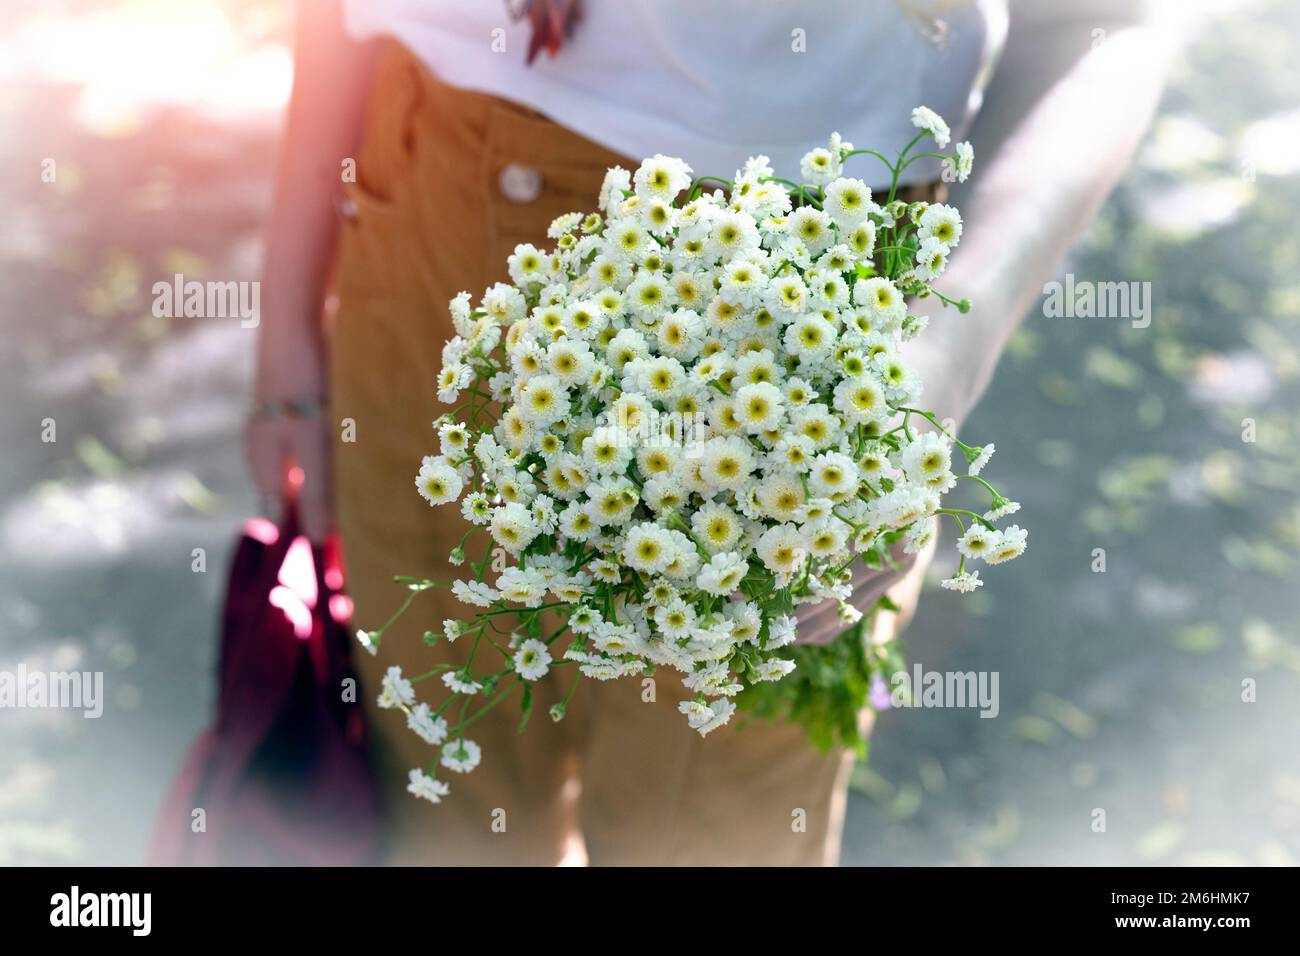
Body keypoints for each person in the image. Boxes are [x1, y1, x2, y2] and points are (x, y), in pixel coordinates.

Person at [246, 0, 1169, 865]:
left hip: (784, 328)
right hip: (428, 227)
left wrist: (926, 377)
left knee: (709, 838)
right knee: (447, 820)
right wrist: (286, 312)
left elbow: (1100, 26)